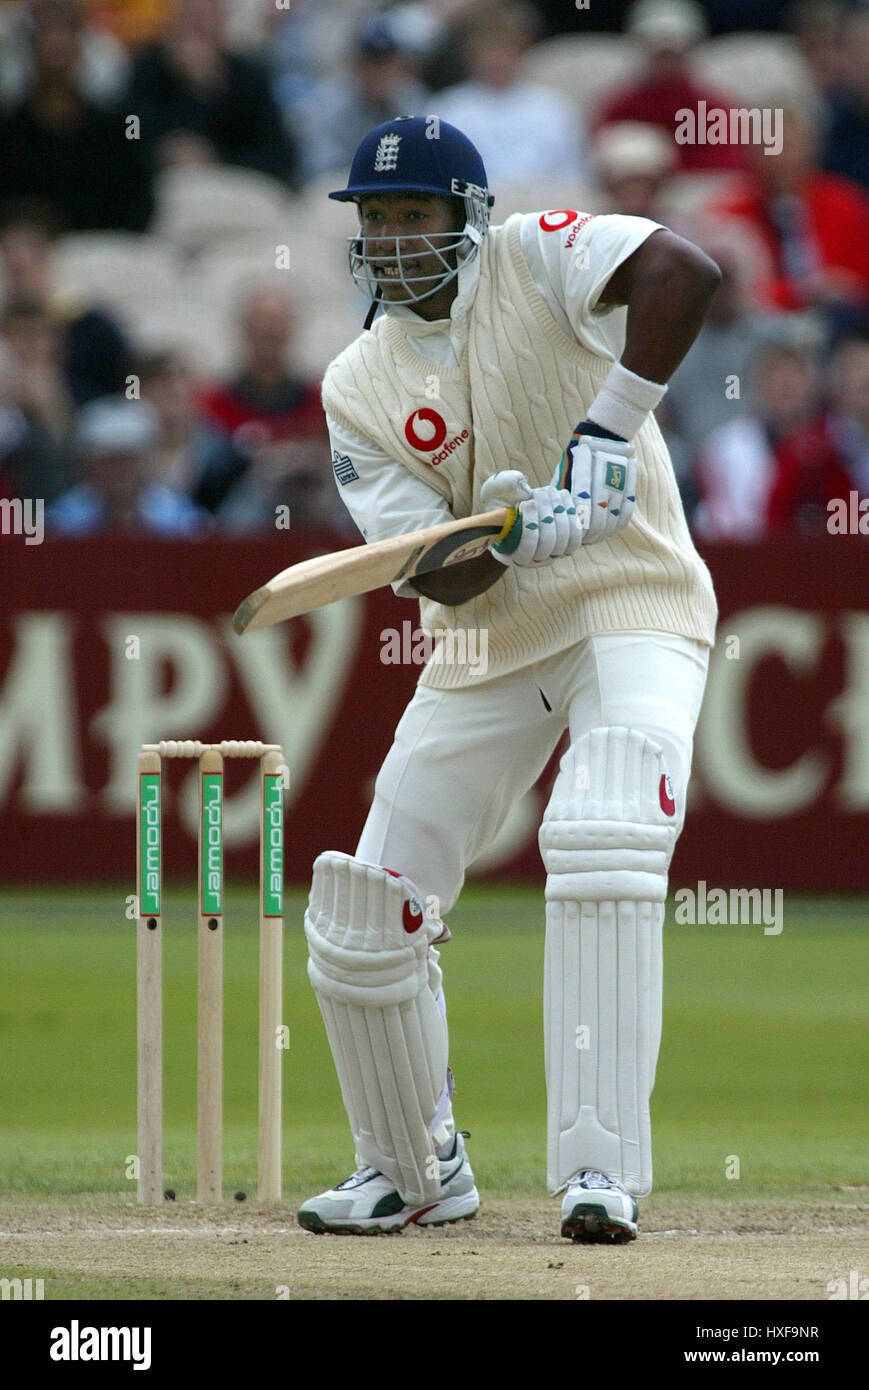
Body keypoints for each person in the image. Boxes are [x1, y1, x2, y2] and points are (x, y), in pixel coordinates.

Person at [297, 116, 720, 1243]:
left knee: (606, 816)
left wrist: (608, 433)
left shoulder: (538, 252)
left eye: (413, 217)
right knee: (358, 910)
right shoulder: (354, 384)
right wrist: (520, 531)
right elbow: (441, 580)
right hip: (485, 643)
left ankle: (598, 1173)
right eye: (373, 222)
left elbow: (686, 271)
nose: (391, 242)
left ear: (467, 218)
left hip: (633, 601)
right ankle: (411, 1167)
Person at [436, 1, 588, 185]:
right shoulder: (448, 109)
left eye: (505, 50)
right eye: (488, 51)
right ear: (471, 55)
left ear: (522, 51)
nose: (497, 60)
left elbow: (574, 174)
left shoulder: (553, 108)